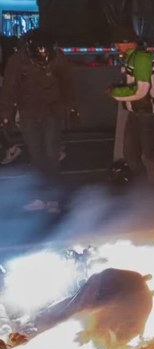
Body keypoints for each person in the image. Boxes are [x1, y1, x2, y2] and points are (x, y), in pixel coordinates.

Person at [0, 29, 78, 213]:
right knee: (36, 155)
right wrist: (5, 113)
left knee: (51, 153)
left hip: (52, 111)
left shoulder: (58, 58)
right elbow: (9, 90)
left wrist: (71, 108)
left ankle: (53, 199)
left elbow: (67, 84)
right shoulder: (17, 61)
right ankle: (39, 197)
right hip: (28, 112)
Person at [107, 25, 154, 183]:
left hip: (145, 111)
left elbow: (142, 90)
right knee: (132, 153)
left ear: (128, 42)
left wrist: (116, 92)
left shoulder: (141, 58)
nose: (116, 46)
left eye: (118, 43)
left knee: (150, 153)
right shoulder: (132, 57)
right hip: (136, 111)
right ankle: (142, 188)